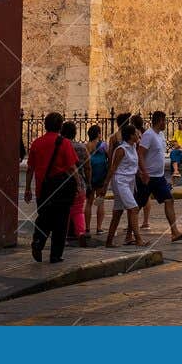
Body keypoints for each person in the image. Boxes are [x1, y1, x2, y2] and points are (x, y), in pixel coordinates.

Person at [24, 112, 79, 264]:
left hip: (42, 189)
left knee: (44, 218)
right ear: (60, 126)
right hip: (61, 189)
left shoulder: (36, 143)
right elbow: (72, 167)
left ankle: (38, 241)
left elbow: (30, 169)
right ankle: (55, 255)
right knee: (61, 222)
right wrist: (79, 184)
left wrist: (27, 189)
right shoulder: (65, 143)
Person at [139, 111, 182, 242]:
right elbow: (140, 154)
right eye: (164, 121)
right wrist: (143, 172)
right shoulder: (148, 135)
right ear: (160, 121)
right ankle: (130, 235)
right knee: (136, 206)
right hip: (148, 177)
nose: (166, 123)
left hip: (159, 177)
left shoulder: (161, 135)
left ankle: (175, 232)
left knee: (169, 200)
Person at [104, 121, 147, 248]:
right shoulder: (121, 149)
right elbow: (113, 168)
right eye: (135, 133)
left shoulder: (133, 147)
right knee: (133, 208)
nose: (138, 135)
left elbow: (133, 164)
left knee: (118, 211)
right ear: (130, 135)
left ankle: (109, 241)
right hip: (120, 181)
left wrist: (139, 173)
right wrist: (105, 186)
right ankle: (138, 239)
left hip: (129, 181)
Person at [61, 119, 91, 246]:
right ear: (75, 133)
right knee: (78, 211)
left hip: (63, 183)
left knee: (64, 211)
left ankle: (64, 236)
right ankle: (81, 233)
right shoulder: (81, 147)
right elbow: (88, 167)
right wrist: (88, 183)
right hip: (80, 184)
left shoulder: (61, 146)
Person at [85, 124, 109, 236]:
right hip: (101, 175)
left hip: (89, 175)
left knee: (88, 202)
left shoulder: (87, 146)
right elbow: (109, 157)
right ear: (98, 134)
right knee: (100, 202)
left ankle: (87, 227)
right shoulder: (103, 145)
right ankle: (99, 228)